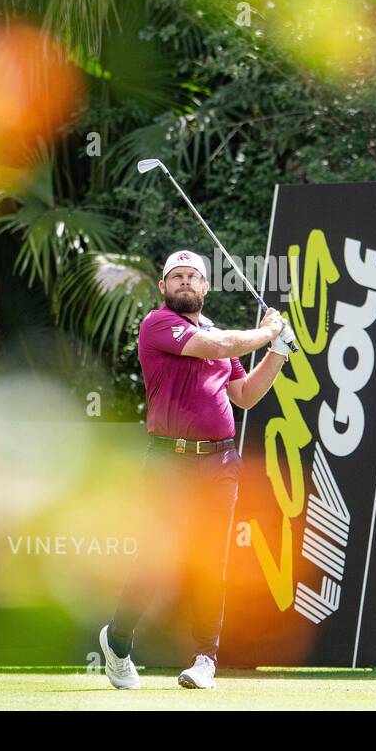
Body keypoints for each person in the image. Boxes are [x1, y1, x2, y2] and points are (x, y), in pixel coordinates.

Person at [99, 249, 292, 690]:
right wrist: (266, 333)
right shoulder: (158, 325)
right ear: (164, 288)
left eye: (194, 277)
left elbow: (243, 394)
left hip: (219, 461)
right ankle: (118, 640)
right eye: (177, 277)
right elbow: (218, 345)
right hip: (169, 459)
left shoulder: (218, 333)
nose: (185, 282)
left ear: (205, 288)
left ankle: (205, 659)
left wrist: (277, 353)